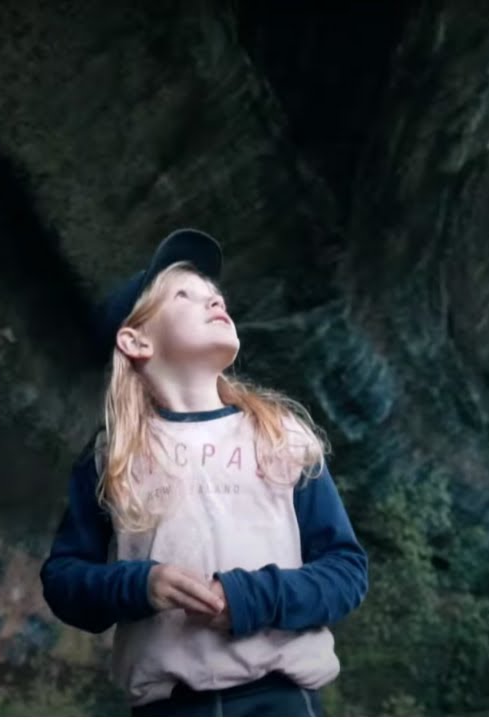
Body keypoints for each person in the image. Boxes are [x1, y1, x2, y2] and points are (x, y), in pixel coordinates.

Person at [39, 229, 369, 716]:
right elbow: (64, 581)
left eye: (214, 294)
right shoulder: (112, 457)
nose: (213, 298)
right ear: (135, 340)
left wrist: (249, 597)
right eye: (184, 294)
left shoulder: (280, 436)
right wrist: (140, 585)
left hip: (280, 702)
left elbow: (346, 572)